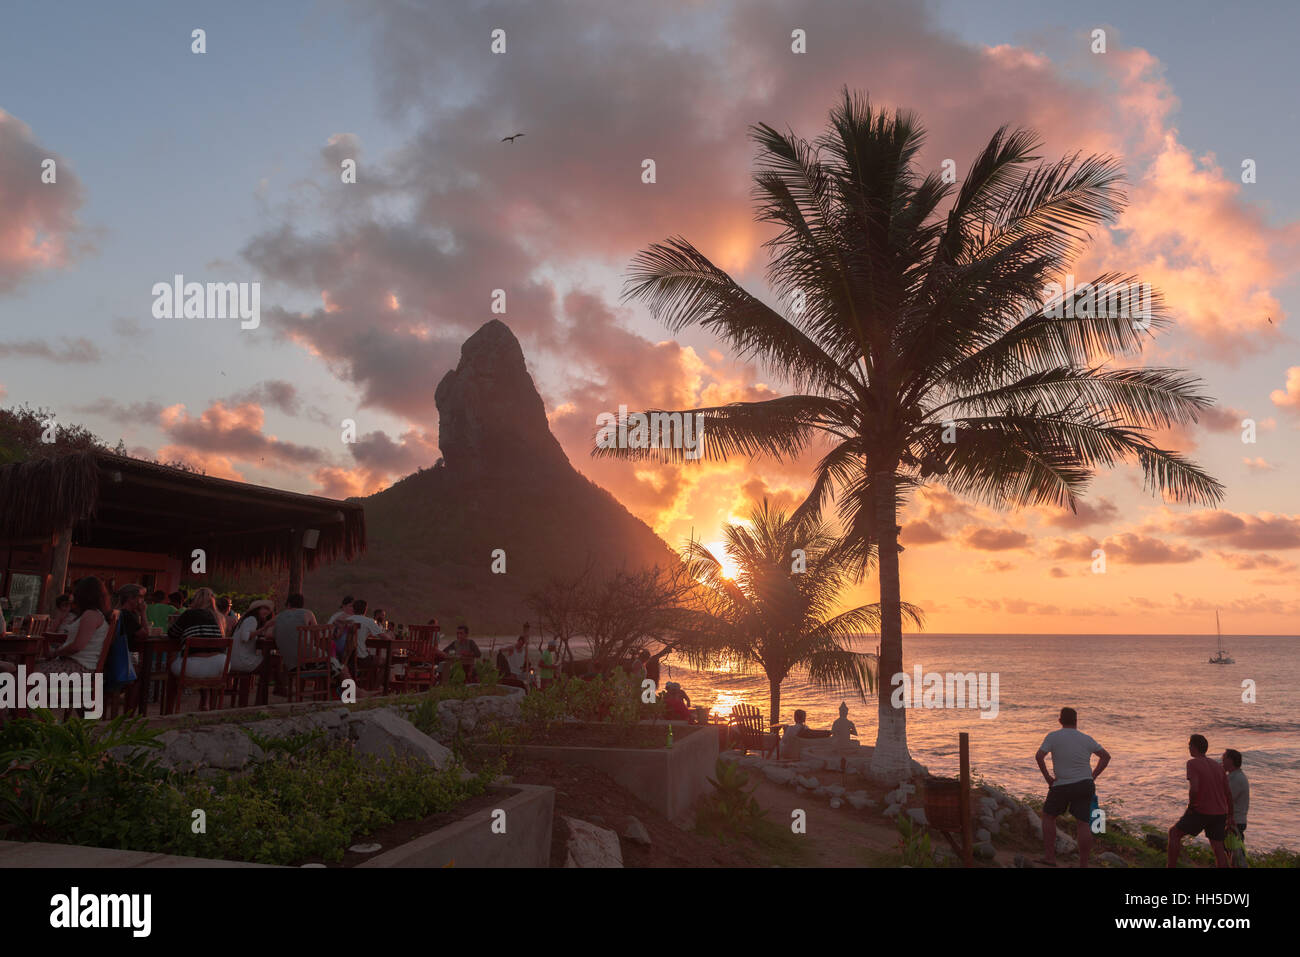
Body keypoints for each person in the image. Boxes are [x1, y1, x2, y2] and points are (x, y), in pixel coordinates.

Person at [1035, 707, 1110, 867]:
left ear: (1060, 720)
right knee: (1083, 823)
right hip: (1085, 784)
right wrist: (1093, 775)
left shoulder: (1053, 736)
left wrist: (1048, 778)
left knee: (1048, 817)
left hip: (1062, 784)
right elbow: (1105, 756)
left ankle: (1050, 857)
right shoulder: (1086, 738)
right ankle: (1083, 864)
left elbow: (1039, 756)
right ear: (1076, 721)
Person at [1, 577, 112, 680]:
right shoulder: (93, 614)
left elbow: (77, 646)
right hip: (74, 666)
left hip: (77, 669)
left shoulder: (90, 615)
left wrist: (54, 653)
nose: (73, 597)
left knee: (19, 676)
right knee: (21, 670)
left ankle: (23, 698)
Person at [1168, 733, 1233, 868]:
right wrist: (1230, 815)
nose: (1188, 748)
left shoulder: (1192, 763)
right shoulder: (1218, 767)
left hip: (1201, 810)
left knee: (1174, 834)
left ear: (1194, 747)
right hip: (1220, 812)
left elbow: (1194, 789)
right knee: (1218, 847)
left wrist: (1191, 806)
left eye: (1189, 745)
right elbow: (1228, 793)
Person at [167, 586, 228, 679]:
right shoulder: (220, 617)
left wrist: (173, 623)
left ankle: (174, 693)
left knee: (172, 661)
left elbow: (172, 634)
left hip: (193, 667)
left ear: (195, 600)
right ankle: (208, 693)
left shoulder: (189, 614)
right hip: (220, 665)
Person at [272, 593, 318, 670]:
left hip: (289, 663)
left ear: (289, 604)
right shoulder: (308, 613)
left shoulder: (279, 616)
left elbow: (269, 633)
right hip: (306, 658)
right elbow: (318, 633)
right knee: (336, 664)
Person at [229, 600, 274, 674]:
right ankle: (270, 685)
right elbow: (245, 637)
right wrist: (264, 628)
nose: (267, 612)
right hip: (242, 661)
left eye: (268, 609)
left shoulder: (246, 619)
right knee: (269, 661)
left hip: (233, 661)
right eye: (264, 608)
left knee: (268, 660)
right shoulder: (252, 619)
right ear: (257, 609)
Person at [1223, 749, 1249, 868]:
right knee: (1231, 853)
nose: (1222, 760)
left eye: (1224, 758)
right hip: (1235, 820)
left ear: (1230, 760)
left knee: (1236, 856)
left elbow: (1226, 799)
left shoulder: (1237, 778)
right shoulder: (1233, 776)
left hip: (1235, 822)